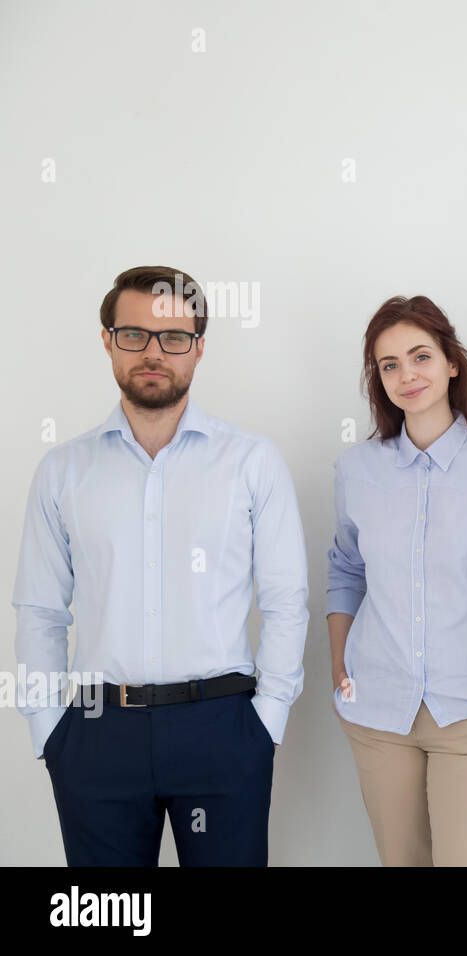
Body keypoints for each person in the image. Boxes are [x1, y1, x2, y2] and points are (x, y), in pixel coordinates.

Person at [13, 265, 309, 866]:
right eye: (134, 335)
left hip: (224, 730)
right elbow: (40, 610)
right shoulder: (64, 470)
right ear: (107, 340)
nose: (154, 353)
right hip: (97, 735)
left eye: (174, 337)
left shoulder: (251, 462)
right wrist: (50, 728)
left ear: (198, 348)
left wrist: (265, 723)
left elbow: (285, 600)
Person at [326, 295, 467, 866]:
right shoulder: (356, 469)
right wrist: (340, 665)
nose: (405, 375)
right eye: (389, 365)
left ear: (451, 364)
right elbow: (346, 569)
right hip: (377, 709)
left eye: (420, 356)